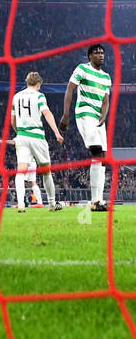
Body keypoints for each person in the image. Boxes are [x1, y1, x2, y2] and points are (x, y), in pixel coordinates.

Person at [0, 71, 65, 212]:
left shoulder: (16, 97)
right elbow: (46, 113)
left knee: (20, 171)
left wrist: (18, 132)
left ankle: (20, 204)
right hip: (37, 136)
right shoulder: (39, 96)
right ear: (39, 84)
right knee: (46, 171)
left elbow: (12, 120)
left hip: (22, 136)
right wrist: (57, 132)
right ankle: (52, 204)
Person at [60, 43, 113, 212]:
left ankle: (99, 201)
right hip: (85, 113)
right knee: (97, 152)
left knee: (103, 158)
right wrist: (65, 115)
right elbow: (70, 89)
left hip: (98, 119)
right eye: (97, 53)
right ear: (90, 56)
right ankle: (94, 202)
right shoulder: (82, 69)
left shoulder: (106, 77)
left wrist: (104, 115)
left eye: (102, 53)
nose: (101, 55)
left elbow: (106, 100)